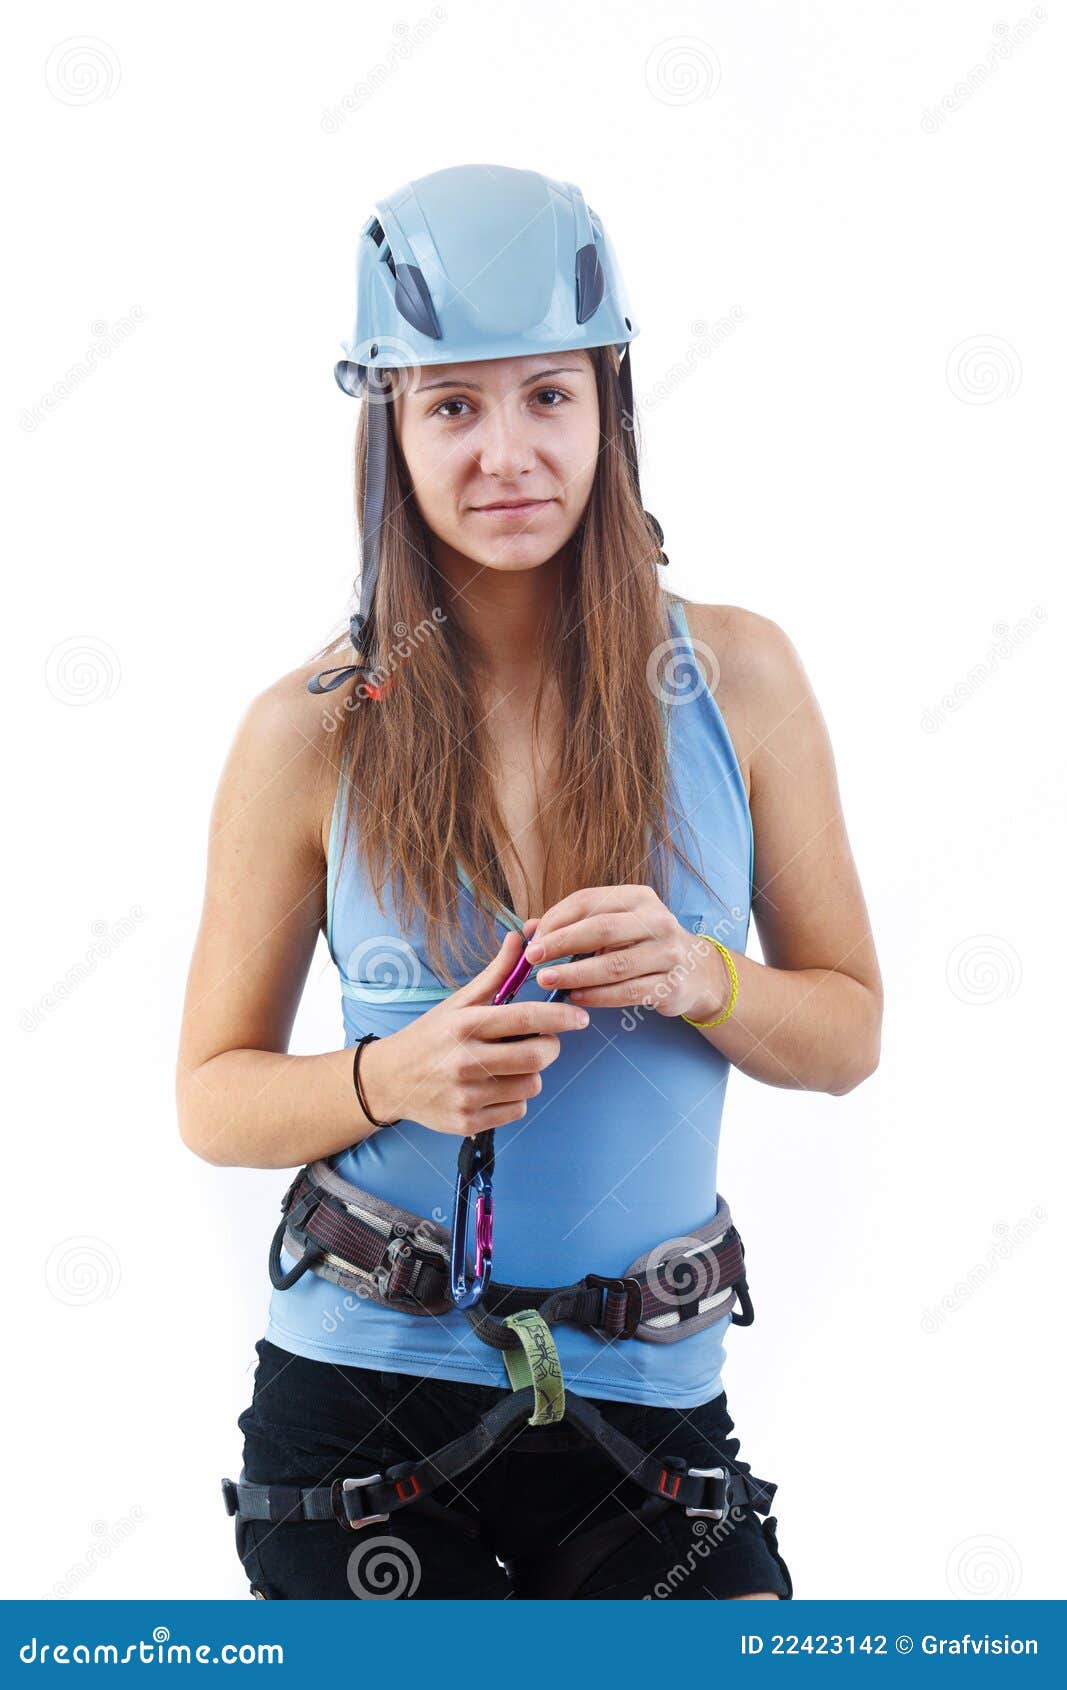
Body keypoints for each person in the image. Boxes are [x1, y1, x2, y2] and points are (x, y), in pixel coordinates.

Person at [177, 162, 882, 1600]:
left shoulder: (739, 680)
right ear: (388, 426)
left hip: (649, 1411)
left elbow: (851, 1032)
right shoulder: (305, 730)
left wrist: (708, 974)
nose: (509, 451)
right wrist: (393, 1076)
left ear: (612, 404)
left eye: (549, 396)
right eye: (453, 404)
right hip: (364, 1399)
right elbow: (210, 1092)